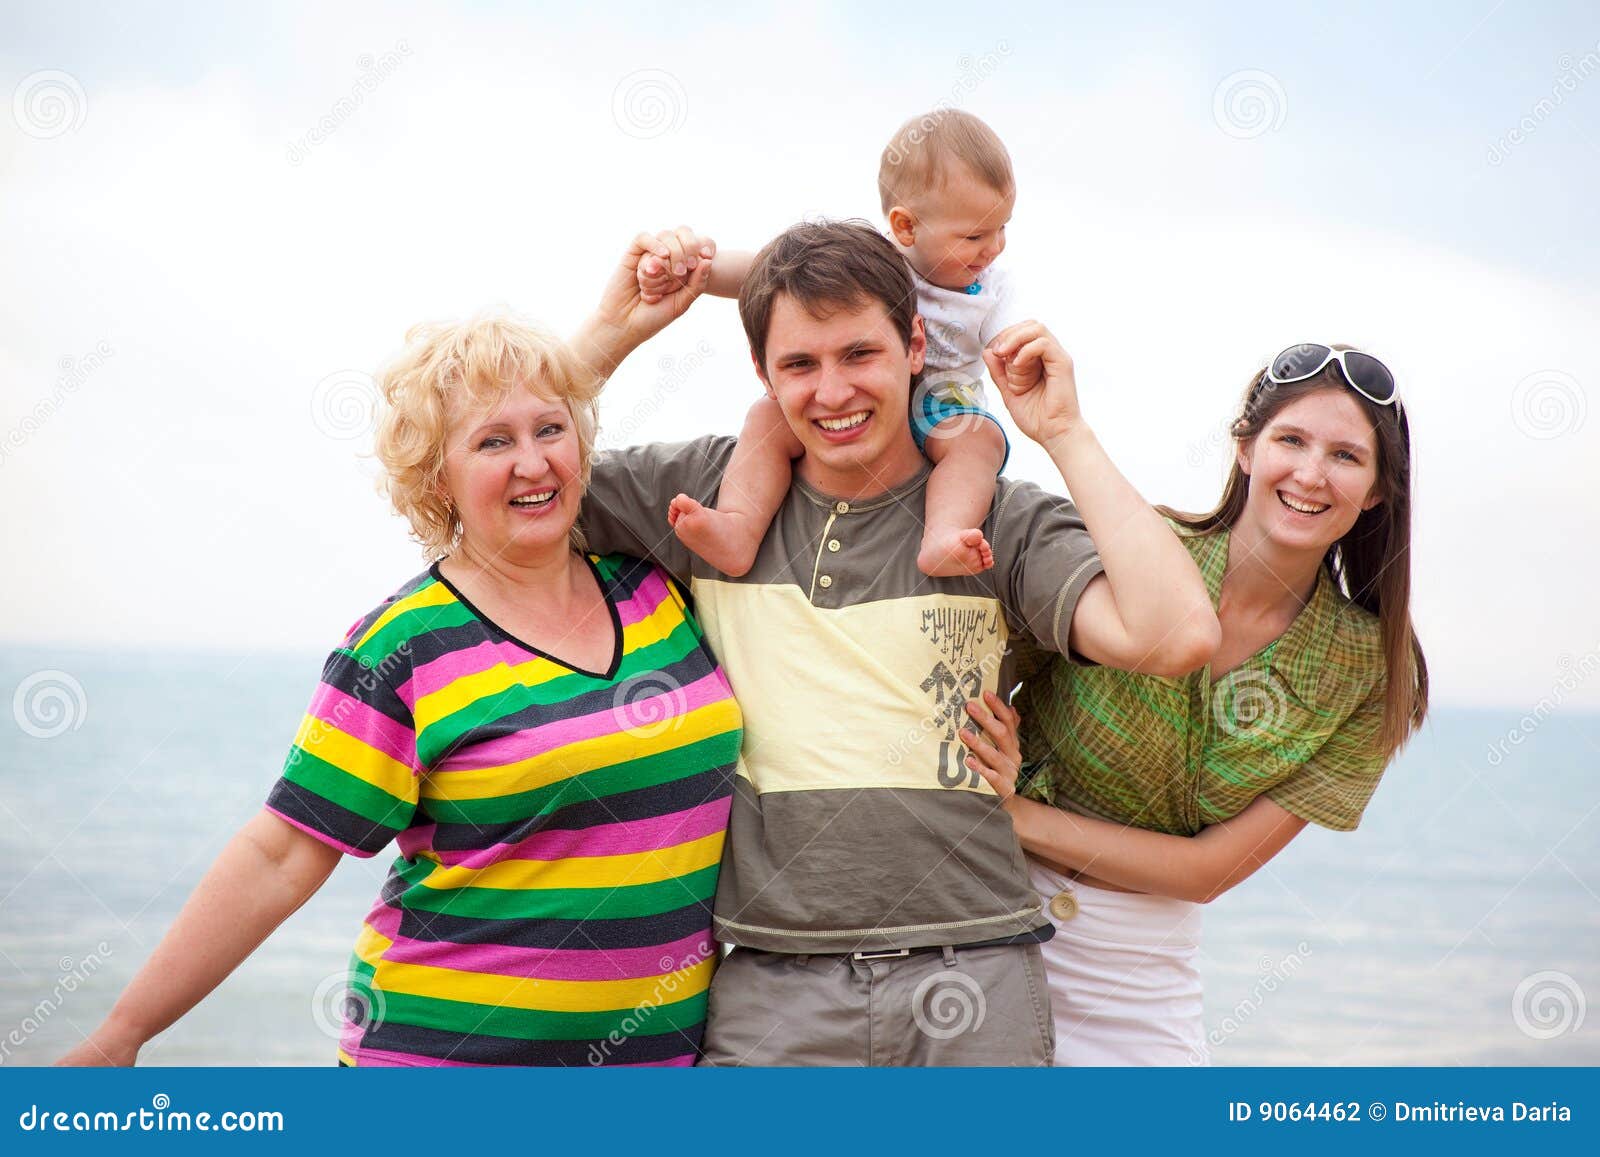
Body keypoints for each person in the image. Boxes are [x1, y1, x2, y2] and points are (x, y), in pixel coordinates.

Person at [569, 220, 1221, 1065]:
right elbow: (486, 485)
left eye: (859, 354)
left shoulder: (993, 517)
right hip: (771, 983)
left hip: (975, 971)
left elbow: (1175, 634)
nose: (833, 392)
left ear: (915, 343)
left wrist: (1065, 432)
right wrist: (604, 340)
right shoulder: (712, 494)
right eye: (800, 364)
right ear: (763, 375)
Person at [58, 309, 744, 1067]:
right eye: (493, 441)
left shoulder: (659, 588)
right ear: (437, 476)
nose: (533, 462)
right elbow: (282, 853)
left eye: (551, 429)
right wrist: (122, 1032)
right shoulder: (403, 646)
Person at [959, 343, 1429, 1065]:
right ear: (1245, 449)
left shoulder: (1372, 669)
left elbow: (1208, 871)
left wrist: (1019, 815)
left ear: (1374, 491)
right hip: (990, 921)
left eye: (1345, 456)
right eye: (1291, 440)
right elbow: (969, 666)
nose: (1310, 473)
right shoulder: (1137, 552)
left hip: (1143, 982)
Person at [636, 110, 1022, 579]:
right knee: (766, 416)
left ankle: (943, 533)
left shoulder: (991, 289)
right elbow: (765, 276)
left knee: (978, 440)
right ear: (905, 227)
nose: (995, 247)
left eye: (1003, 228)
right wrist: (696, 274)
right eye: (976, 235)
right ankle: (738, 527)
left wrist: (1023, 366)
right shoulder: (871, 261)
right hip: (862, 406)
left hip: (941, 405)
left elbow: (1009, 343)